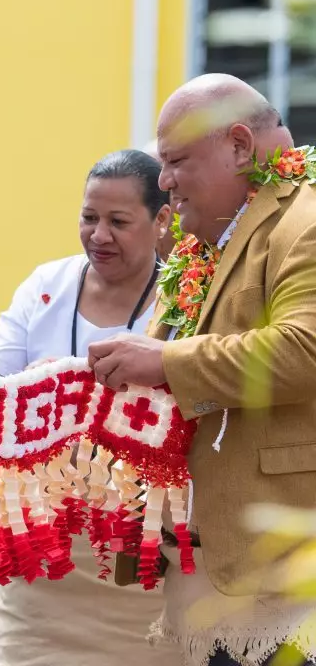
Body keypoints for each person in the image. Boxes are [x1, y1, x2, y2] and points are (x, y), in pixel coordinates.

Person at [89, 74, 316, 666]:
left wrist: (162, 360)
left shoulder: (306, 220)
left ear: (240, 146)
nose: (162, 181)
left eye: (175, 161)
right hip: (207, 562)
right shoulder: (203, 241)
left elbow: (304, 351)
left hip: (284, 563)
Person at [0, 149, 179, 666]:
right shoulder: (46, 285)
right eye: (89, 218)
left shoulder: (185, 298)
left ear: (161, 221)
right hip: (42, 557)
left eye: (118, 222)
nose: (99, 235)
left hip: (146, 561)